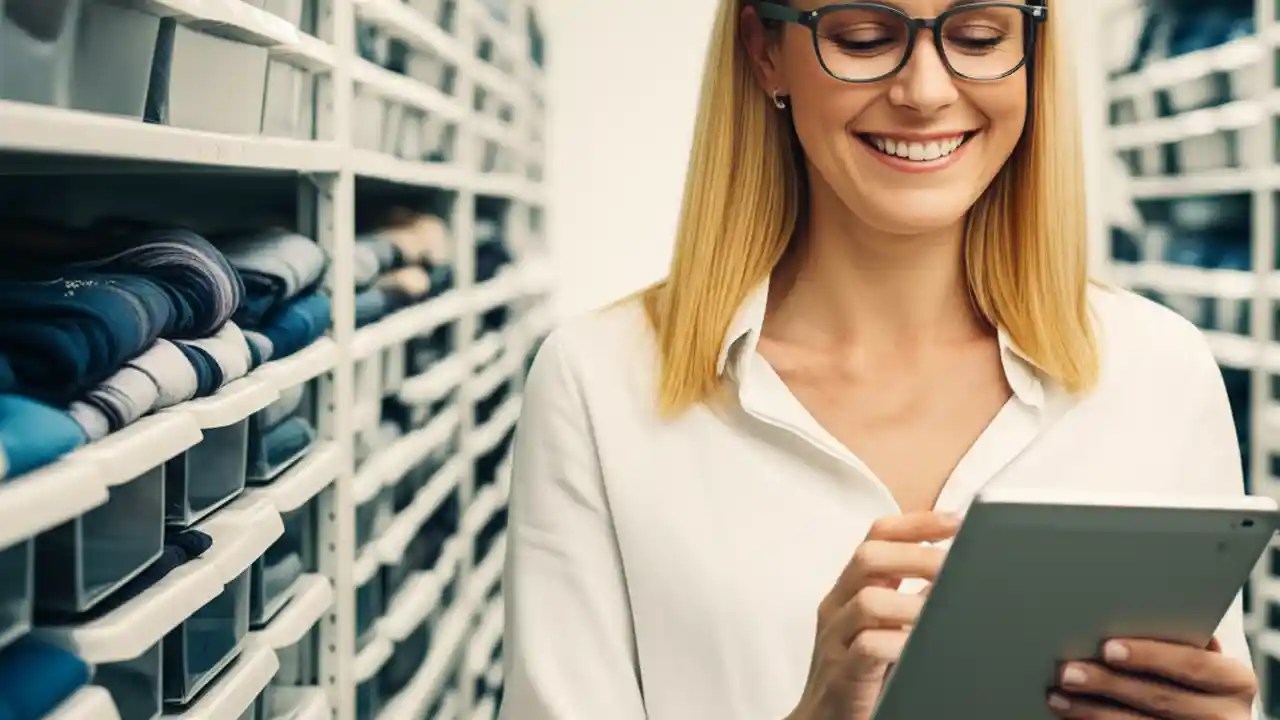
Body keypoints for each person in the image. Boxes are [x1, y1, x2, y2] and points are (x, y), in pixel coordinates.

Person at [500, 1, 1261, 719]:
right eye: (863, 37)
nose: (925, 92)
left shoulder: (1156, 371)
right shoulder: (598, 384)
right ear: (766, 52)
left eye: (979, 39)